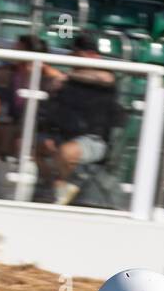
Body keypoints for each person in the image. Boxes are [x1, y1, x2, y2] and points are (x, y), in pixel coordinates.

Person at [37, 32, 116, 206]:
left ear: (92, 55)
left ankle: (60, 193)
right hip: (62, 134)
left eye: (77, 54)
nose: (73, 57)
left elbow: (104, 78)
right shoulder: (69, 79)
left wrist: (67, 76)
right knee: (31, 144)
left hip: (94, 141)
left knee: (67, 153)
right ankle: (55, 186)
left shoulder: (105, 75)